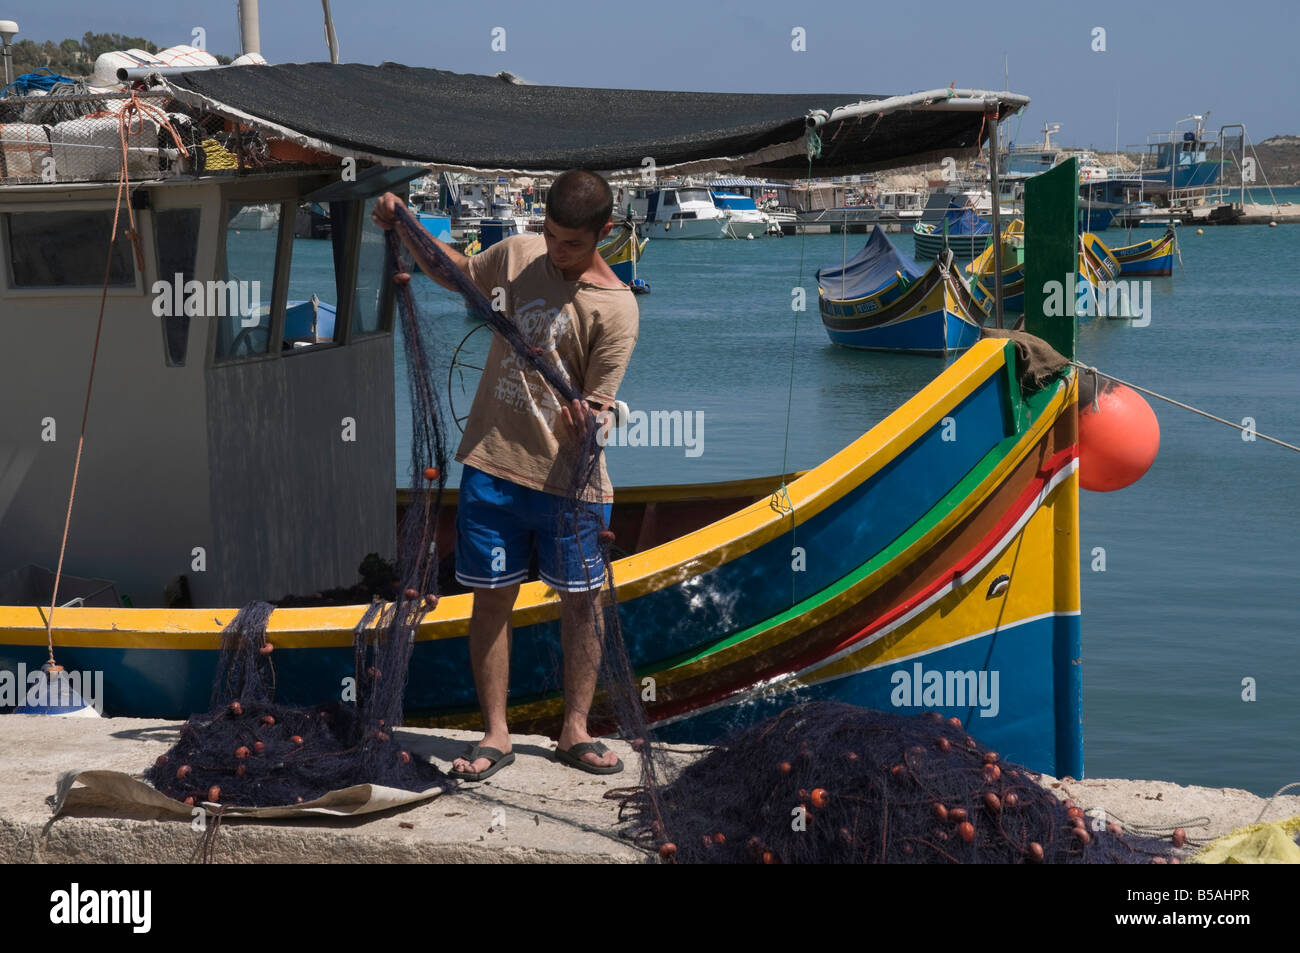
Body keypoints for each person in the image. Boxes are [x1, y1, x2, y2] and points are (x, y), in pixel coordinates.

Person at [371, 170, 638, 779]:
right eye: (551, 236)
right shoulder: (518, 255)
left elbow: (601, 412)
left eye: (573, 243)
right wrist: (407, 222)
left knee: (581, 605)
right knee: (491, 601)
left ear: (607, 233)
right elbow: (453, 272)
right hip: (493, 467)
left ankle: (575, 730)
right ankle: (496, 733)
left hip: (571, 486)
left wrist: (590, 421)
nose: (557, 252)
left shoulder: (617, 308)